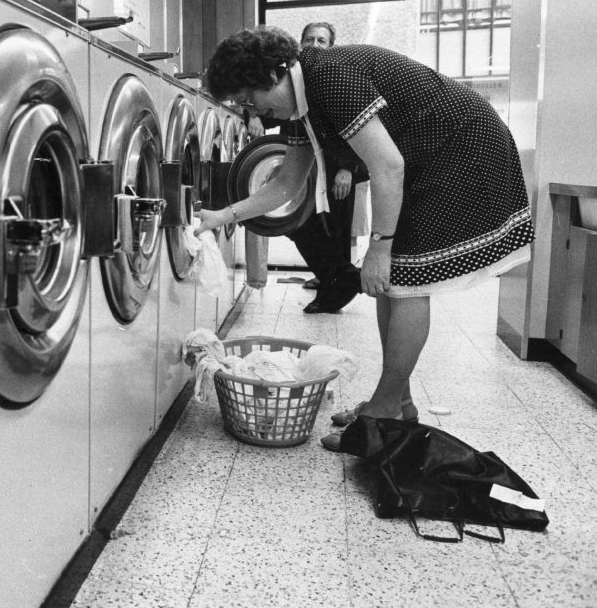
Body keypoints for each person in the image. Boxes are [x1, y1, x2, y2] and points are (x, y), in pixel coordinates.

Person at [195, 26, 534, 450]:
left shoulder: (328, 77)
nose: (255, 112)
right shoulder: (303, 104)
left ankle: (383, 409)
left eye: (249, 100)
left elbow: (387, 166)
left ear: (271, 74)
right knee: (395, 283)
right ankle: (397, 403)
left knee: (406, 283)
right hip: (424, 158)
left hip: (459, 148)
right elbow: (286, 183)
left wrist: (380, 245)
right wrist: (222, 215)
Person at [287, 22, 365, 314]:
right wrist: (250, 114)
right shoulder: (298, 78)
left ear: (331, 46)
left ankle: (332, 292)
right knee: (299, 224)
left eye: (322, 40)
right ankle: (343, 280)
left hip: (336, 167)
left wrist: (346, 168)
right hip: (307, 167)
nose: (315, 45)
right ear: (300, 43)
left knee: (336, 230)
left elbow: (354, 125)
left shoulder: (334, 74)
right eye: (309, 39)